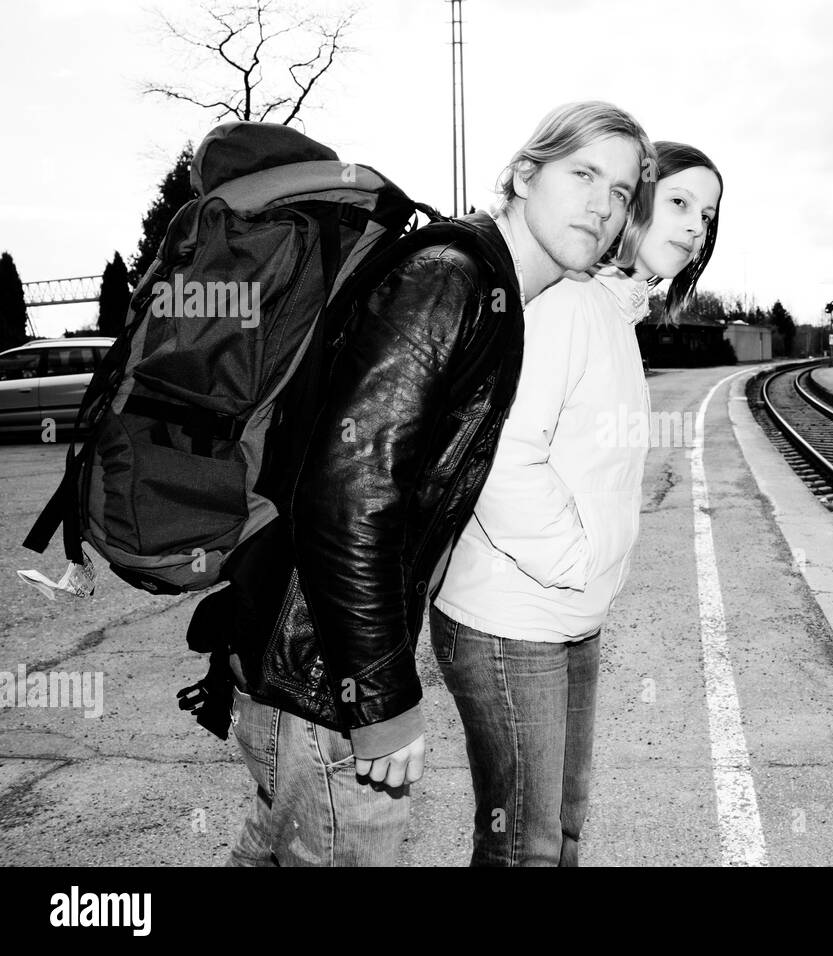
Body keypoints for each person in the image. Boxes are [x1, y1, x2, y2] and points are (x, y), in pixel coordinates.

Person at [211, 101, 654, 866]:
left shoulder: (498, 291)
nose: (603, 205)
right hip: (317, 677)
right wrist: (378, 699)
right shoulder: (456, 276)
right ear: (523, 173)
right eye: (583, 173)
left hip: (305, 661)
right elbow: (349, 494)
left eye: (620, 193)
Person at [430, 141, 724, 866]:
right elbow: (502, 455)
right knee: (522, 846)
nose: (694, 228)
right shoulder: (567, 306)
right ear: (633, 206)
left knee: (558, 831)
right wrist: (575, 558)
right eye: (678, 202)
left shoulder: (614, 314)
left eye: (708, 215)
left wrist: (587, 575)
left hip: (568, 616)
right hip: (510, 619)